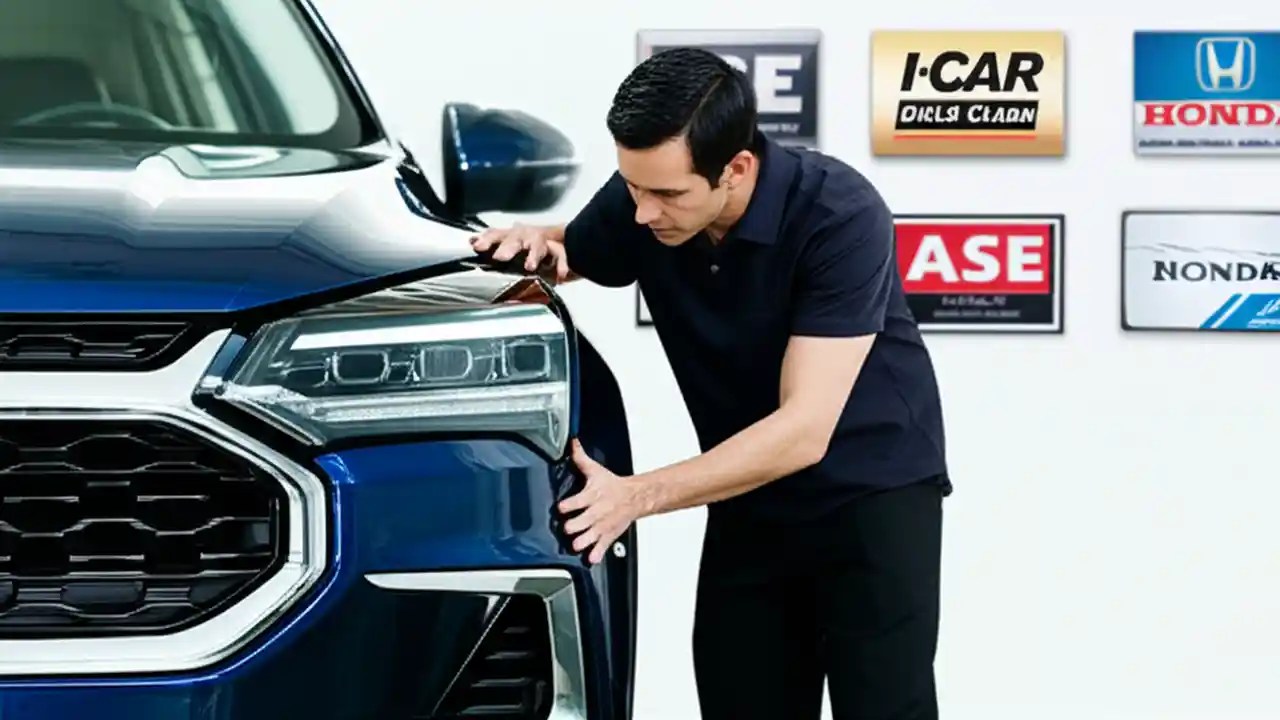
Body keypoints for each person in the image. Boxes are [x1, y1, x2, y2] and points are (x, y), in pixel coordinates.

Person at [470, 47, 950, 720]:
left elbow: (804, 431)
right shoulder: (645, 198)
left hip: (869, 498)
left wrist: (635, 496)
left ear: (737, 169)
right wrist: (538, 244)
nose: (641, 213)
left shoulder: (839, 215)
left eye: (666, 194)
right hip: (747, 498)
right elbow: (577, 249)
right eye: (632, 187)